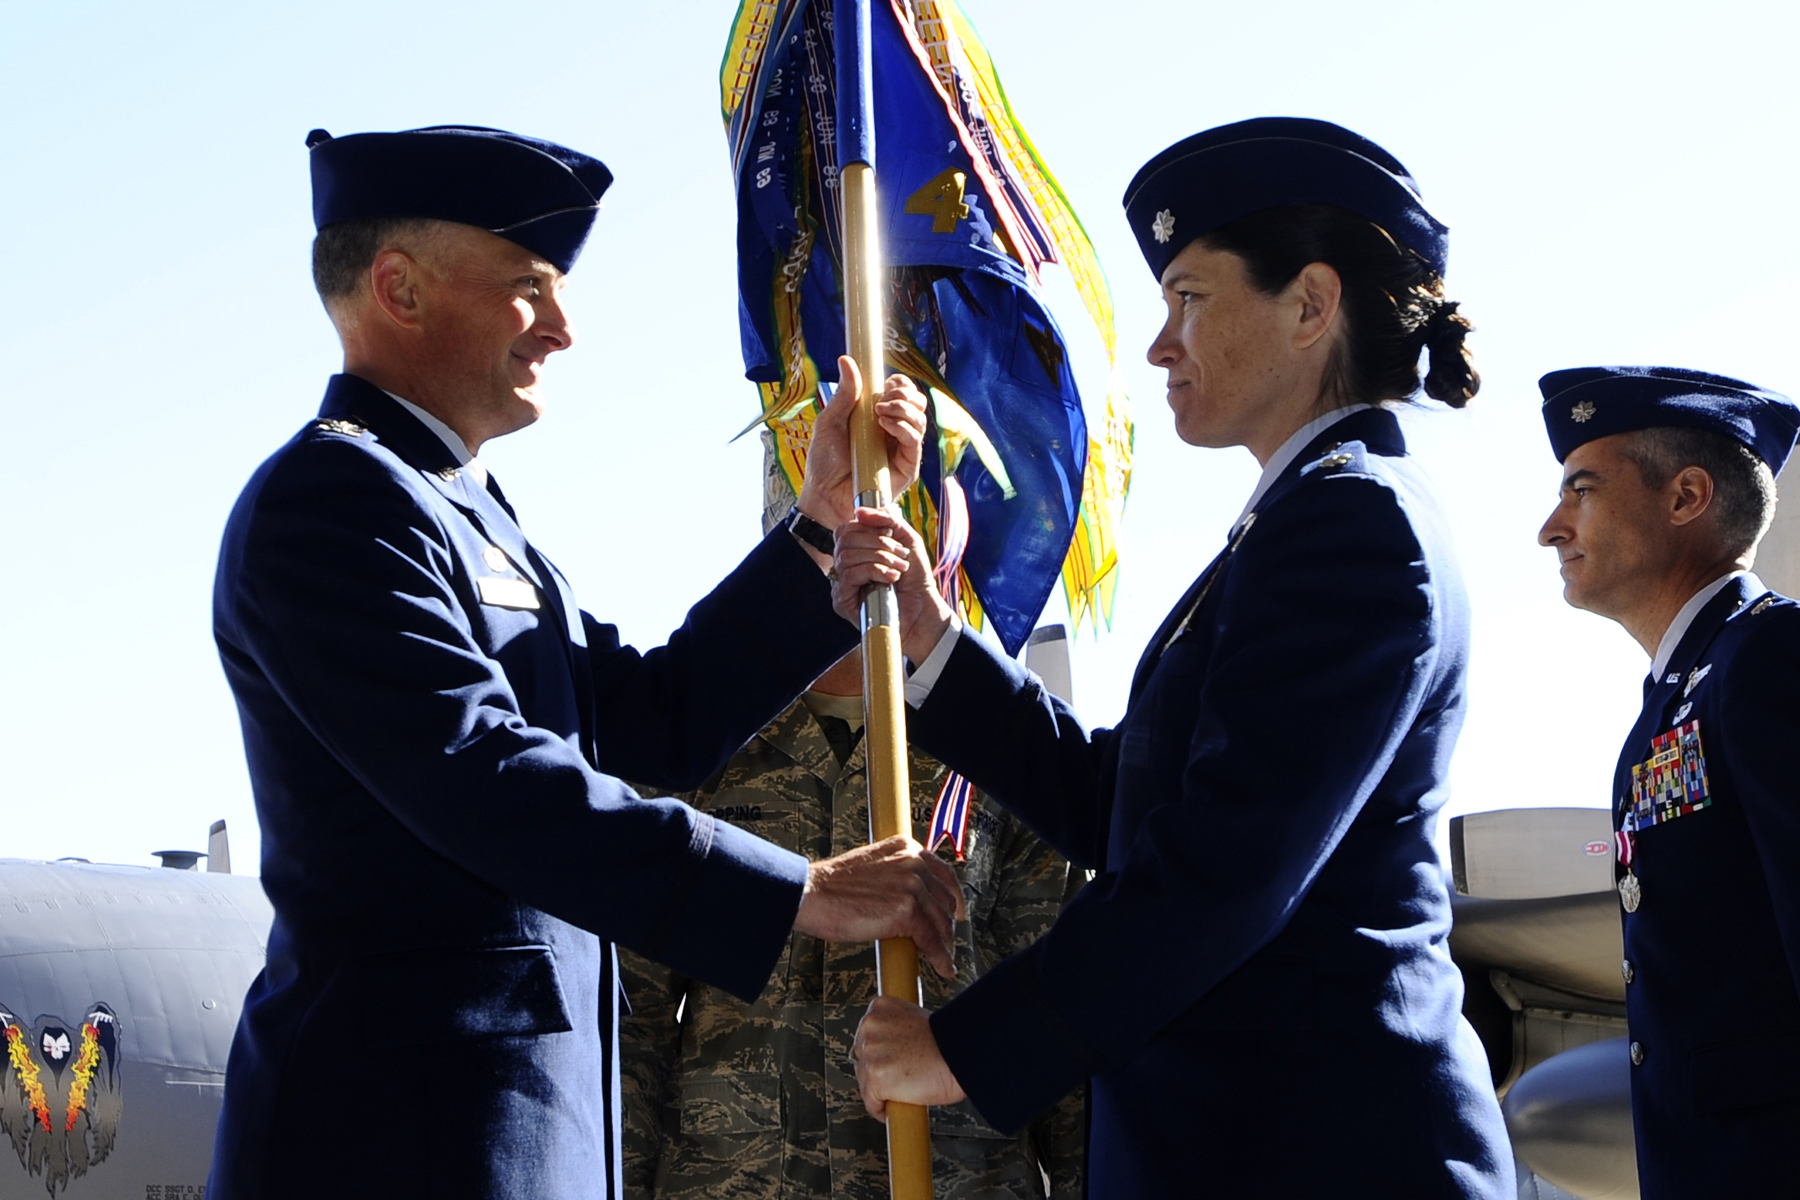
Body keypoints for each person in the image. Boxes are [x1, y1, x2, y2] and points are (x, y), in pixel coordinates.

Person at [208, 125, 961, 1200]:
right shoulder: (331, 507)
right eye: (530, 287)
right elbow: (485, 777)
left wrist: (817, 533)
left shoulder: (462, 515)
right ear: (399, 289)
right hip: (392, 1147)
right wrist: (806, 893)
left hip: (511, 1146)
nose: (563, 328)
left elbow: (654, 717)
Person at [834, 117, 1514, 1196]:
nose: (1160, 344)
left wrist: (965, 1048)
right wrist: (930, 639)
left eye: (1189, 299)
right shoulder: (1301, 522)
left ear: (1309, 305)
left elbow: (1223, 866)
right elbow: (1127, 802)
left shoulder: (1353, 528)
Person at [618, 459, 1082, 1200]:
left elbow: (1066, 1017)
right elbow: (633, 1022)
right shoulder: (695, 738)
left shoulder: (997, 742)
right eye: (830, 533)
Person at [1534, 366, 1800, 1198]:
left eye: (1582, 489)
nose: (1551, 527)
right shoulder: (1678, 700)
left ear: (1686, 496)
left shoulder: (1768, 658)